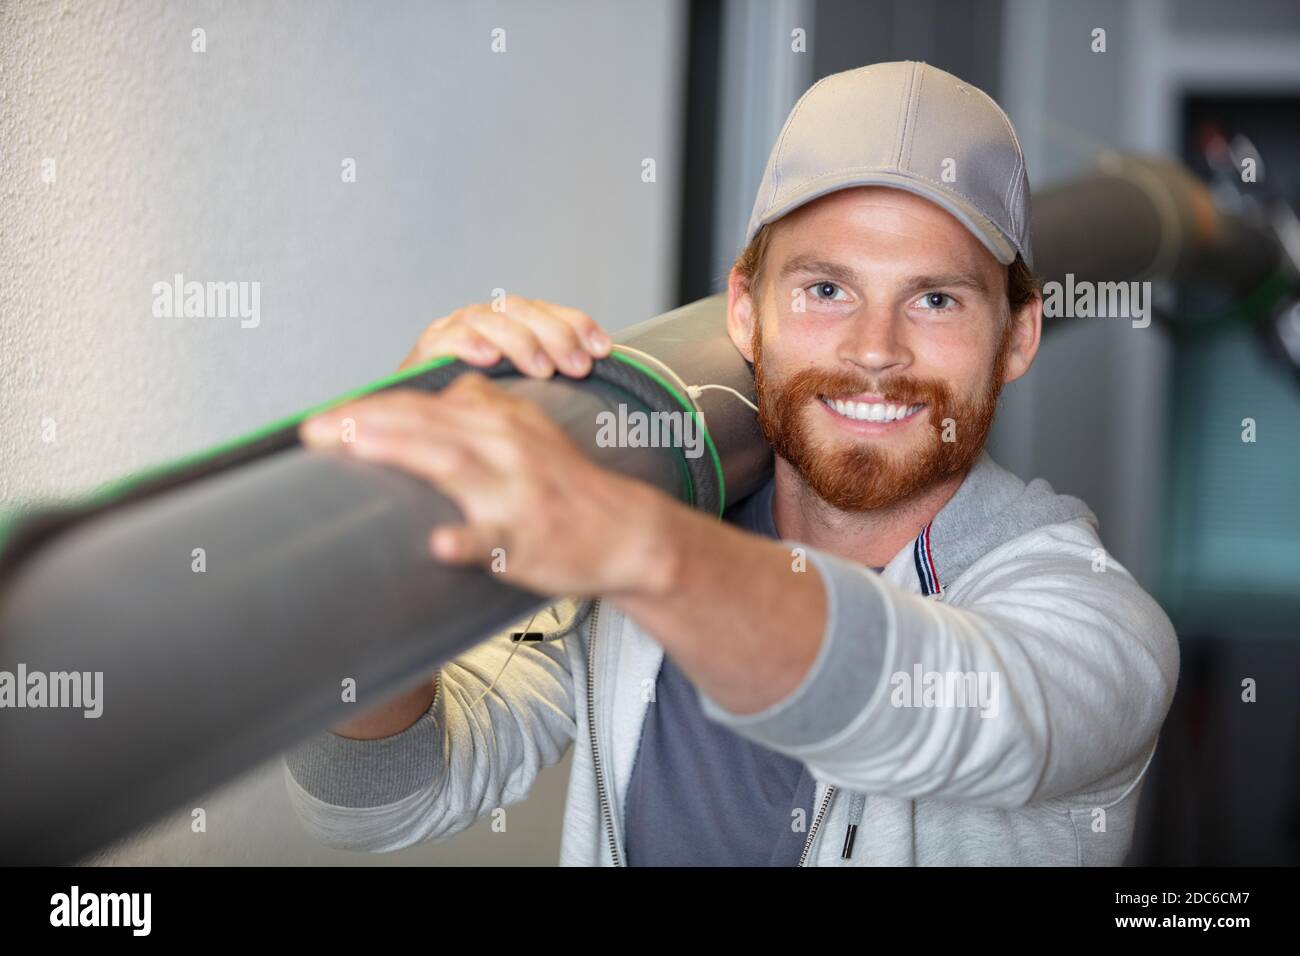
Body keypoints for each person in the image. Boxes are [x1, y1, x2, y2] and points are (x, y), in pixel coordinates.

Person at [283, 61, 1179, 866]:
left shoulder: (1095, 626)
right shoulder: (649, 549)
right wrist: (406, 501)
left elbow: (908, 702)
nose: (875, 350)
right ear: (745, 312)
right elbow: (376, 804)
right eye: (826, 289)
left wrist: (638, 548)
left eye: (936, 299)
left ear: (1017, 335)